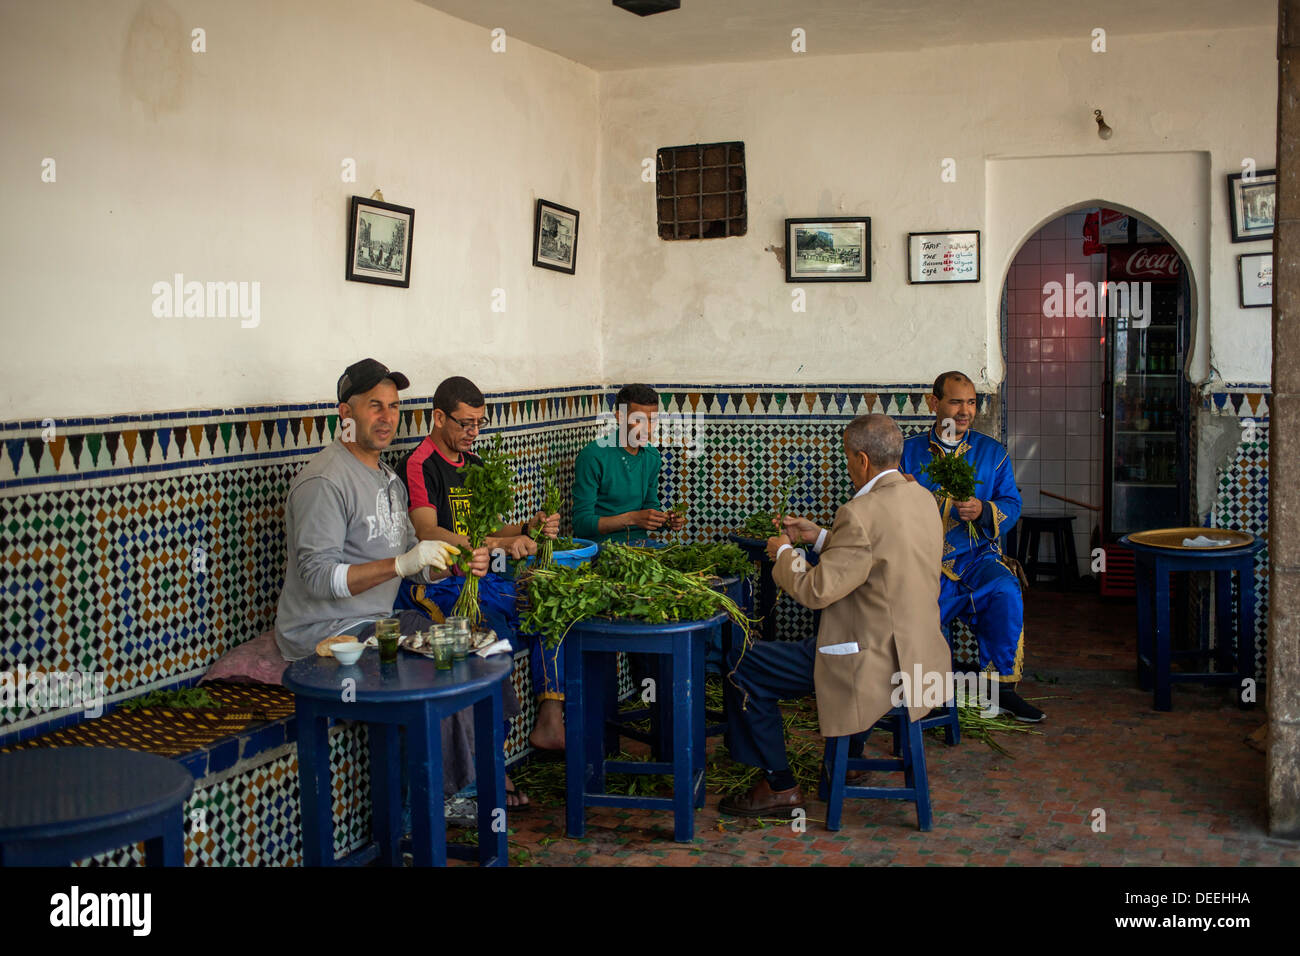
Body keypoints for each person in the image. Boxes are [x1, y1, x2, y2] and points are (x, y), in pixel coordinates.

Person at [273, 358, 494, 800]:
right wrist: (400, 565)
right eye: (374, 406)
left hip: (378, 623)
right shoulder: (324, 480)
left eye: (393, 406)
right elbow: (318, 578)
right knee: (430, 675)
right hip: (327, 635)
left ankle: (463, 789)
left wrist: (452, 561)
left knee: (474, 651)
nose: (387, 417)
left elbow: (419, 558)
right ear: (345, 414)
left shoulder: (389, 481)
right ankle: (419, 820)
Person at [719, 414, 951, 817]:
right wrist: (821, 537)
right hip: (919, 657)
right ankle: (844, 760)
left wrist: (784, 553)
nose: (848, 466)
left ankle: (779, 785)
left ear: (862, 460)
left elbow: (815, 592)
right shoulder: (922, 498)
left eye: (847, 458)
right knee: (800, 650)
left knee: (742, 665)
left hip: (869, 663)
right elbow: (882, 555)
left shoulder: (860, 512)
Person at [396, 375, 562, 772]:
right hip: (435, 587)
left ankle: (551, 716)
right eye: (464, 423)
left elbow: (493, 527)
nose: (473, 432)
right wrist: (490, 546)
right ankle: (491, 767)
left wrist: (527, 529)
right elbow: (427, 532)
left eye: (479, 423)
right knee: (491, 638)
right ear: (438, 417)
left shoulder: (477, 464)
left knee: (552, 605)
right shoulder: (419, 464)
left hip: (481, 577)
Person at [899, 370, 1044, 722]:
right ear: (934, 403)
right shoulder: (908, 452)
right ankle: (925, 695)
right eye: (955, 401)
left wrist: (984, 510)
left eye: (971, 402)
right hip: (923, 561)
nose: (965, 411)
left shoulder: (991, 453)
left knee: (1006, 589)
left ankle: (1001, 690)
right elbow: (882, 504)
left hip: (978, 558)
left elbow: (1011, 505)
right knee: (909, 604)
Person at [571, 383, 687, 545]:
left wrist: (665, 521)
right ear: (620, 417)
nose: (648, 429)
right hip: (602, 547)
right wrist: (631, 518)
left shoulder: (651, 456)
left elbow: (650, 506)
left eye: (652, 420)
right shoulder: (593, 456)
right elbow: (581, 524)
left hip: (642, 544)